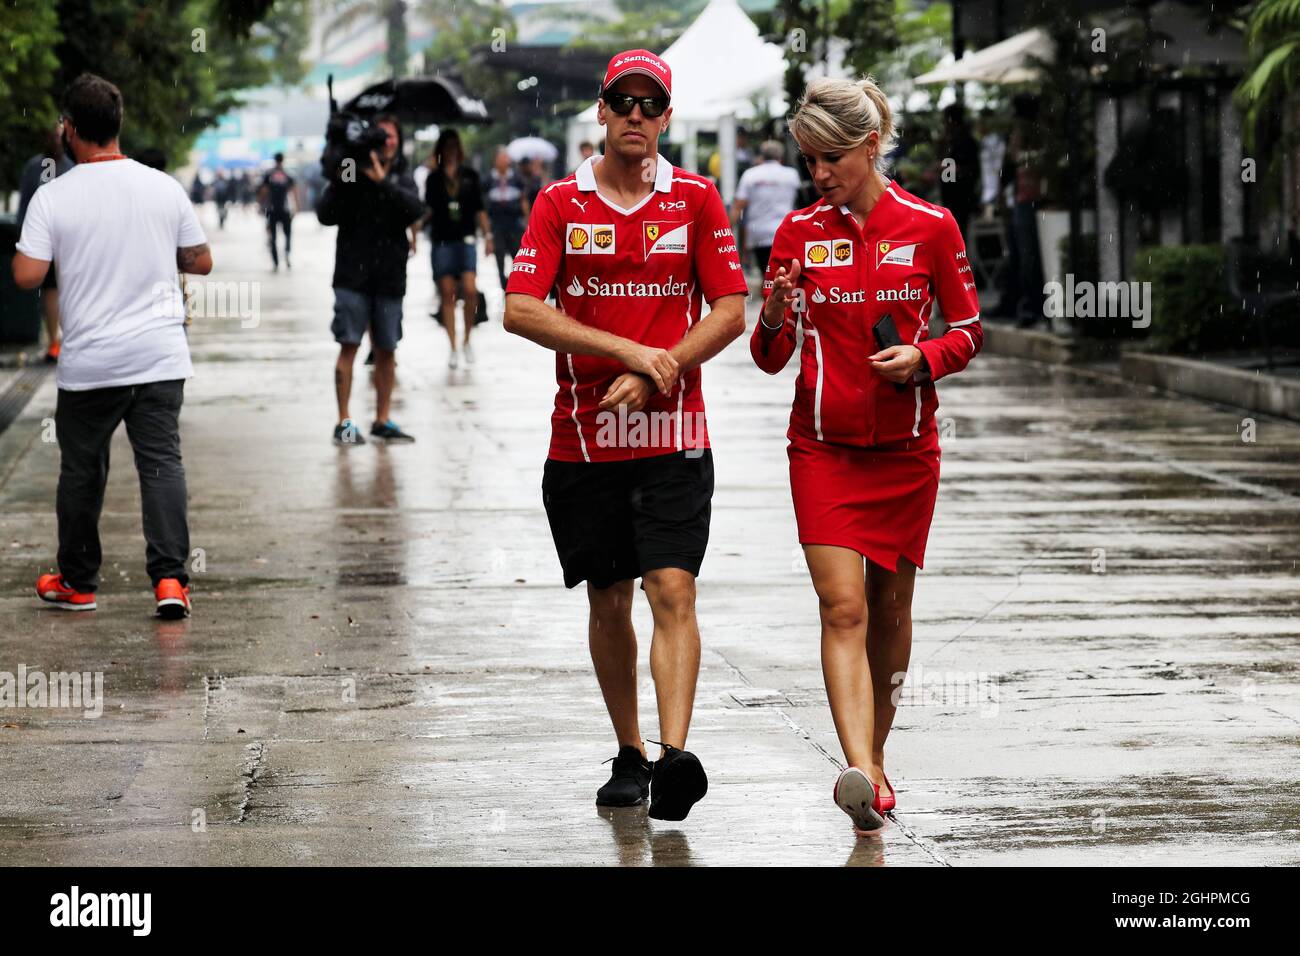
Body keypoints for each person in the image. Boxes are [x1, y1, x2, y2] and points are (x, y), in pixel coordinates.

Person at [503, 49, 748, 821]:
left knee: (672, 588)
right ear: (601, 114)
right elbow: (519, 308)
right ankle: (631, 752)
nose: (637, 115)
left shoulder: (698, 199)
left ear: (666, 118)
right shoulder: (559, 204)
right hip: (583, 441)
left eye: (652, 104)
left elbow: (731, 309)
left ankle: (676, 758)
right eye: (624, 102)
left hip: (677, 436)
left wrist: (660, 367)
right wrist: (625, 352)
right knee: (609, 600)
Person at [750, 75, 983, 834]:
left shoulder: (932, 226)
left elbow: (971, 329)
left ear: (871, 146)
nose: (818, 175)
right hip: (820, 449)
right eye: (809, 160)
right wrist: (776, 313)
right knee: (841, 605)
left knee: (891, 608)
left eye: (829, 159)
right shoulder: (797, 234)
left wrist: (925, 359)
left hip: (908, 452)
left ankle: (872, 763)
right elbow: (769, 355)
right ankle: (856, 765)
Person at [12, 73, 213, 618]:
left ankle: (77, 582)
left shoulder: (54, 196)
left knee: (82, 470)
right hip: (159, 357)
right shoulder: (162, 187)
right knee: (161, 465)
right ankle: (171, 581)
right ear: (118, 125)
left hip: (92, 364)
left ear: (70, 130)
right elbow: (201, 260)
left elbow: (28, 275)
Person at [316, 112, 424, 444]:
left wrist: (383, 182)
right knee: (349, 344)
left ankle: (382, 418)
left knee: (387, 349)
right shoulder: (351, 170)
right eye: (381, 136)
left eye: (392, 136)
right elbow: (326, 214)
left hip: (390, 277)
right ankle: (344, 421)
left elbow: (415, 211)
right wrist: (346, 171)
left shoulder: (402, 176)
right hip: (352, 275)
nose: (387, 141)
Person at [424, 129, 492, 368]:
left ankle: (467, 339)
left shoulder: (470, 175)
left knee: (470, 290)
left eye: (455, 146)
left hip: (466, 239)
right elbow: (428, 210)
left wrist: (488, 235)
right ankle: (453, 346)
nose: (452, 150)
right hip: (442, 239)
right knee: (448, 293)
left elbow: (479, 207)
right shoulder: (434, 178)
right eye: (447, 146)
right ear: (441, 149)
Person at [17, 124, 75, 363]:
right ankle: (60, 342)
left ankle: (59, 343)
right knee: (59, 291)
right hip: (57, 242)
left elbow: (24, 209)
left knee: (57, 292)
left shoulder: (40, 168)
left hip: (55, 241)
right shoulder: (64, 168)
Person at [730, 139, 800, 275]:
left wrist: (727, 231)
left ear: (762, 156)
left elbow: (738, 206)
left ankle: (768, 294)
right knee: (784, 273)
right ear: (780, 157)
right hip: (785, 231)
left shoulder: (750, 175)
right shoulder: (792, 175)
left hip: (759, 233)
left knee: (766, 272)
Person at [484, 147, 529, 289]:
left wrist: (528, 222)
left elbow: (523, 200)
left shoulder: (516, 178)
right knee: (499, 254)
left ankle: (516, 283)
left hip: (514, 222)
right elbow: (484, 206)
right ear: (495, 161)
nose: (504, 161)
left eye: (506, 158)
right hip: (497, 223)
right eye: (501, 158)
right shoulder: (488, 180)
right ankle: (503, 283)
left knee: (517, 254)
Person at [935, 103, 981, 244]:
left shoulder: (965, 141)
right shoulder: (952, 141)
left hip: (960, 196)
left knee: (958, 235)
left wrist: (945, 167)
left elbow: (968, 169)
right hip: (952, 195)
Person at [258, 152, 298, 272]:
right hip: (286, 209)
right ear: (283, 160)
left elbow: (264, 191)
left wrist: (260, 205)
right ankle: (286, 253)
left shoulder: (269, 175)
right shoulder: (288, 174)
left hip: (272, 209)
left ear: (274, 160)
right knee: (288, 235)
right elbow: (294, 191)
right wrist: (297, 206)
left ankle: (275, 261)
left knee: (273, 236)